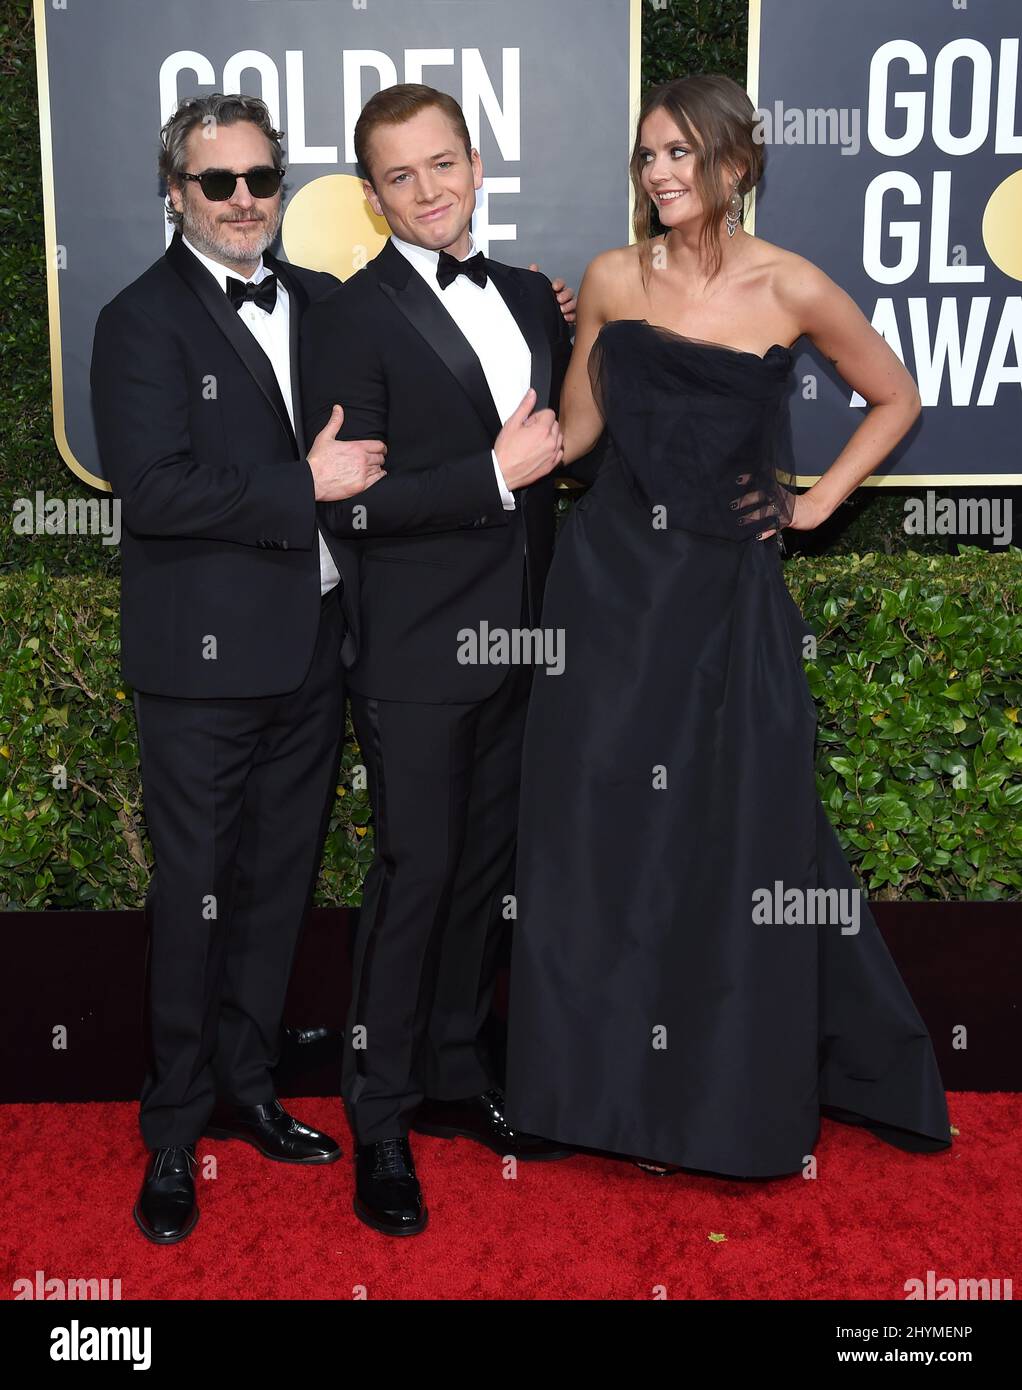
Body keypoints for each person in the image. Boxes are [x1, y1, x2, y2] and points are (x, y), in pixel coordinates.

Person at [504, 75, 953, 1178]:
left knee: (730, 832)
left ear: (736, 168)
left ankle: (708, 1101)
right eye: (648, 155)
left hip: (721, 596)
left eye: (682, 154)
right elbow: (574, 431)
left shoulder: (790, 284)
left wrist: (813, 503)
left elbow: (894, 394)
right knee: (596, 829)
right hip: (608, 590)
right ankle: (582, 1094)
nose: (660, 173)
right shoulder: (613, 277)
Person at [90, 93, 387, 1243]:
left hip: (314, 646)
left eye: (261, 177)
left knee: (276, 883)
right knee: (194, 890)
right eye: (218, 183)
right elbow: (153, 491)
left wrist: (544, 309)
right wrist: (295, 487)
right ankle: (171, 1129)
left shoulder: (316, 300)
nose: (245, 201)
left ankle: (251, 1088)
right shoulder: (138, 318)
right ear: (175, 191)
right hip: (200, 667)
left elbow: (414, 362)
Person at [301, 83, 578, 1237]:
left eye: (443, 163)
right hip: (414, 654)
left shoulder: (528, 295)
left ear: (476, 162)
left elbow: (578, 436)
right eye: (401, 176)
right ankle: (377, 1117)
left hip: (527, 635)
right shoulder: (349, 315)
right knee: (415, 876)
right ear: (371, 197)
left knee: (482, 874)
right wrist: (489, 477)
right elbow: (348, 509)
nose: (429, 189)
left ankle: (458, 1075)